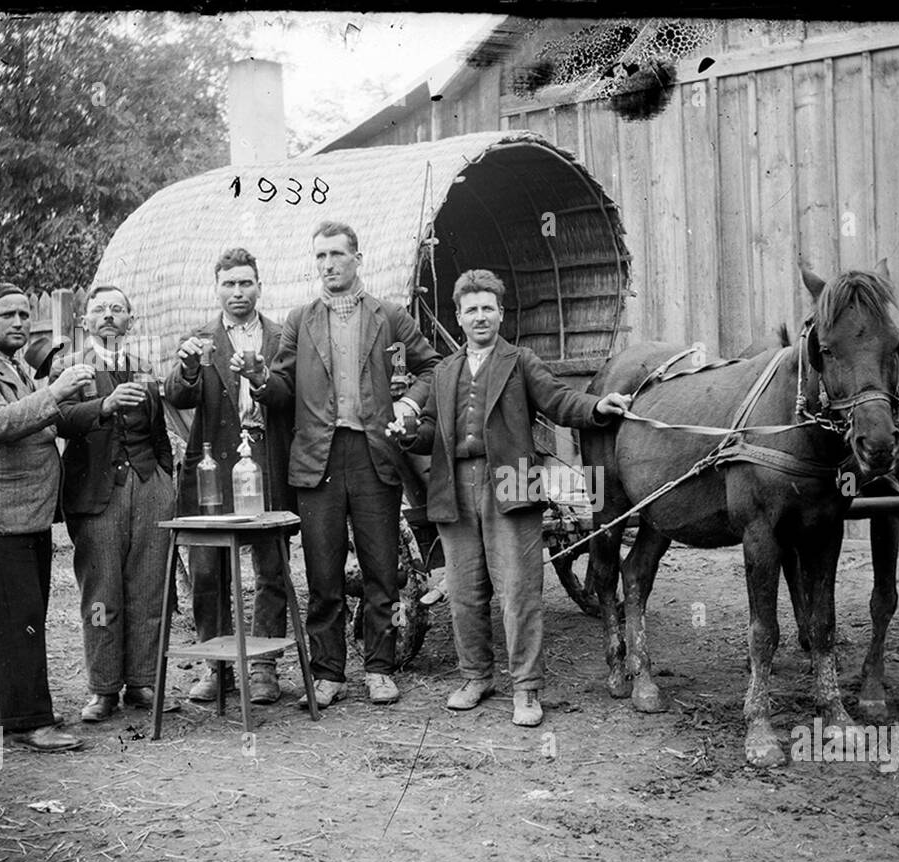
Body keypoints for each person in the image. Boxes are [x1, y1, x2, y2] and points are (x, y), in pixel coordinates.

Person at [394, 269, 630, 727]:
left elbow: (561, 401)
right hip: (454, 487)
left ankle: (526, 689)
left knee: (519, 592)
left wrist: (596, 408)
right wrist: (407, 433)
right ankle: (476, 677)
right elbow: (429, 436)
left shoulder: (521, 362)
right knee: (463, 592)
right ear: (458, 318)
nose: (479, 316)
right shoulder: (444, 372)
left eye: (488, 308)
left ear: (500, 314)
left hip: (514, 481)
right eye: (471, 309)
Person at [245, 221, 440, 708]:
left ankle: (379, 668)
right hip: (318, 462)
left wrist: (410, 406)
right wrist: (259, 379)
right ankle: (328, 673)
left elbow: (433, 368)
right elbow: (283, 390)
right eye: (319, 257)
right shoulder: (300, 320)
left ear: (358, 259)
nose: (327, 264)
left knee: (382, 571)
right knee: (323, 574)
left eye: (336, 254)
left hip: (375, 455)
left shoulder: (390, 316)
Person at [0, 282, 95, 751]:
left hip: (23, 514)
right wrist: (56, 391)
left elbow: (44, 420)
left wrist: (101, 405)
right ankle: (31, 722)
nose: (19, 323)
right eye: (7, 314)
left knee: (7, 617)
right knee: (20, 615)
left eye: (25, 315)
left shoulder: (10, 367)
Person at [165, 247, 296, 704]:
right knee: (207, 570)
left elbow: (290, 396)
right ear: (216, 287)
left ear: (260, 286)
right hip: (213, 466)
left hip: (267, 459)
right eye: (229, 284)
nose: (238, 292)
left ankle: (263, 667)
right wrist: (185, 368)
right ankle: (216, 666)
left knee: (271, 567)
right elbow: (178, 395)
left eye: (246, 283)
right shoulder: (201, 339)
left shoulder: (282, 336)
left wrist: (262, 380)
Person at [54, 284, 176, 722]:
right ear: (85, 321)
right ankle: (103, 688)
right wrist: (103, 405)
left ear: (130, 321)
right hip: (97, 491)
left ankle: (143, 682)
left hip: (149, 488)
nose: (108, 316)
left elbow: (158, 429)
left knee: (148, 586)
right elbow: (59, 421)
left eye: (118, 310)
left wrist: (164, 477)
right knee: (102, 592)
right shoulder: (70, 368)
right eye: (99, 309)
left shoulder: (143, 368)